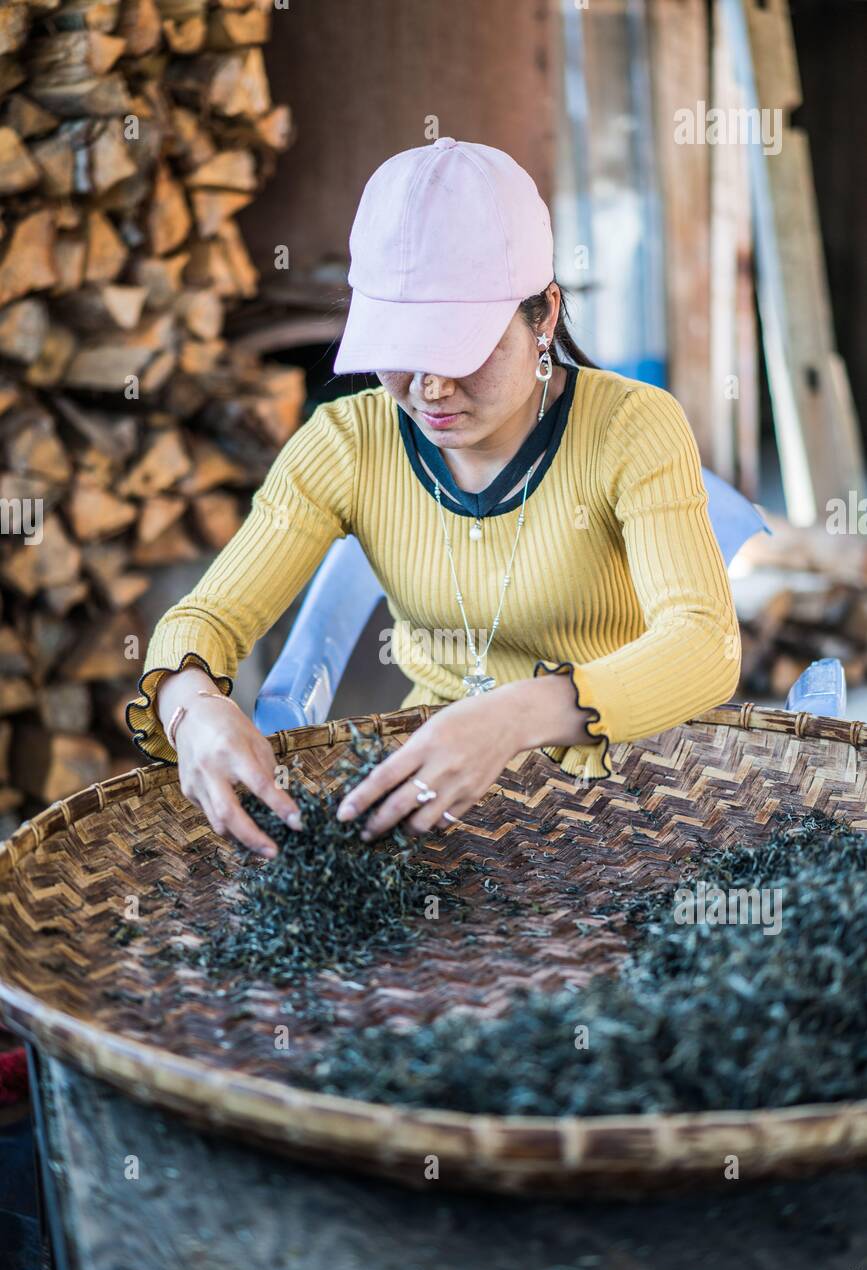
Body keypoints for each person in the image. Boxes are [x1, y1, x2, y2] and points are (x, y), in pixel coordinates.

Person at [126, 137, 740, 858]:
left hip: (627, 788)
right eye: (402, 350)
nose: (430, 388)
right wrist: (192, 705)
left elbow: (703, 643)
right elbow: (208, 615)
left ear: (542, 316)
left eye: (459, 349)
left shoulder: (631, 427)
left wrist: (511, 718)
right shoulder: (348, 442)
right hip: (436, 800)